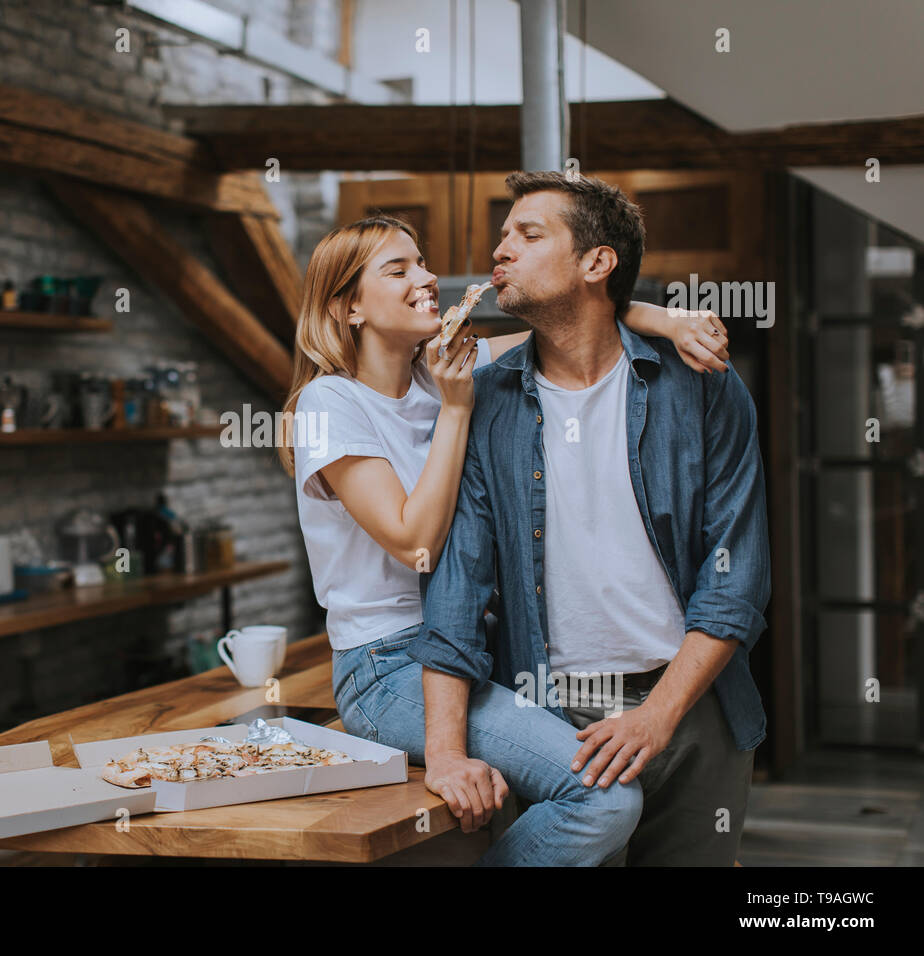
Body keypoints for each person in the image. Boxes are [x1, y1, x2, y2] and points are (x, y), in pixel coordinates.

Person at [281, 214, 732, 864]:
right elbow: (416, 542)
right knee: (602, 799)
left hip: (469, 653)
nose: (428, 277)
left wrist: (672, 320)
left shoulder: (440, 373)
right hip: (390, 668)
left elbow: (575, 323)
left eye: (422, 262)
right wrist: (459, 410)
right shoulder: (332, 403)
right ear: (347, 306)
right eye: (398, 268)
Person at [411, 172, 770, 866]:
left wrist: (657, 716)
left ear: (596, 263)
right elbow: (457, 587)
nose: (501, 248)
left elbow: (738, 579)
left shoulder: (702, 384)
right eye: (504, 233)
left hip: (695, 712)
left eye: (528, 233)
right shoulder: (481, 399)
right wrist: (446, 752)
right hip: (551, 719)